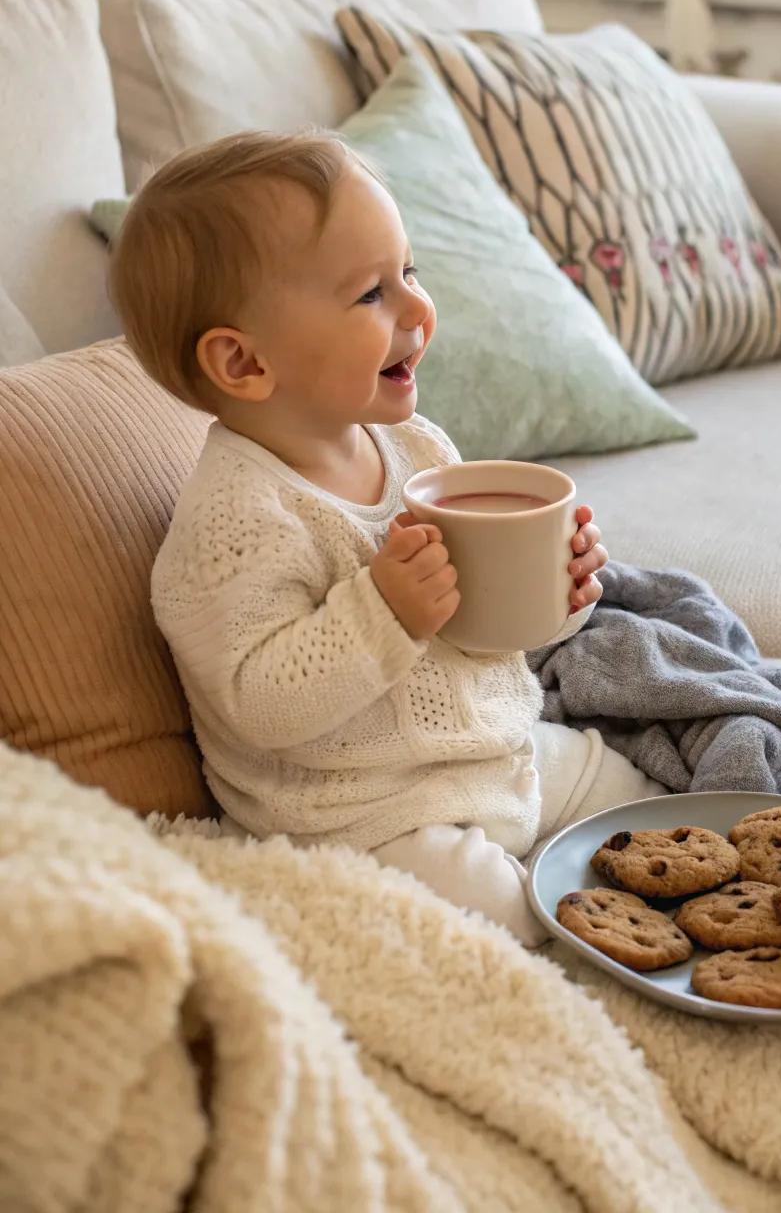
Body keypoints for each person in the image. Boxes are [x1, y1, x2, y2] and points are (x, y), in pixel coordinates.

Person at [110, 130, 665, 945]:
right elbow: (260, 699)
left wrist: (561, 594)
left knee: (637, 799)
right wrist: (384, 613)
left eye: (410, 273)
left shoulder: (417, 449)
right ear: (243, 363)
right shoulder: (237, 520)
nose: (417, 309)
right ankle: (572, 954)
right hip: (361, 815)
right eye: (371, 294)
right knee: (505, 912)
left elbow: (478, 630)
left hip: (488, 757)